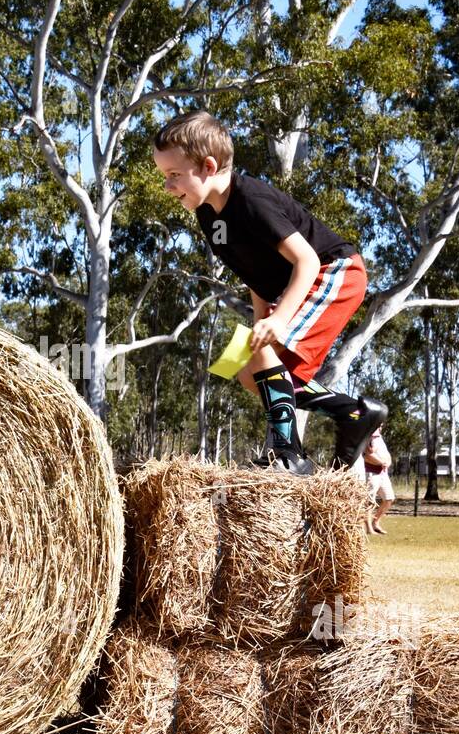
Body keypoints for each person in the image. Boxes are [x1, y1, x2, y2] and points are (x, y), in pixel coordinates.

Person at [152, 110, 387, 474]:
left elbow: (306, 261)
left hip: (334, 271)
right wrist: (262, 322)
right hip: (286, 290)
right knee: (246, 372)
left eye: (174, 175)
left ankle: (287, 455)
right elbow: (253, 276)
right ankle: (352, 413)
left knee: (267, 353)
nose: (167, 186)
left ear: (209, 166)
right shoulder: (208, 216)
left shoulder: (250, 201)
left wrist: (276, 322)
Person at [363, 426, 394, 534]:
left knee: (389, 498)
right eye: (378, 425)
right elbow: (367, 455)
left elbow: (387, 454)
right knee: (369, 502)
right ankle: (369, 529)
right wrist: (381, 462)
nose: (380, 427)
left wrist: (388, 462)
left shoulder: (379, 438)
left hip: (383, 473)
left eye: (381, 425)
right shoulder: (367, 437)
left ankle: (375, 522)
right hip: (372, 473)